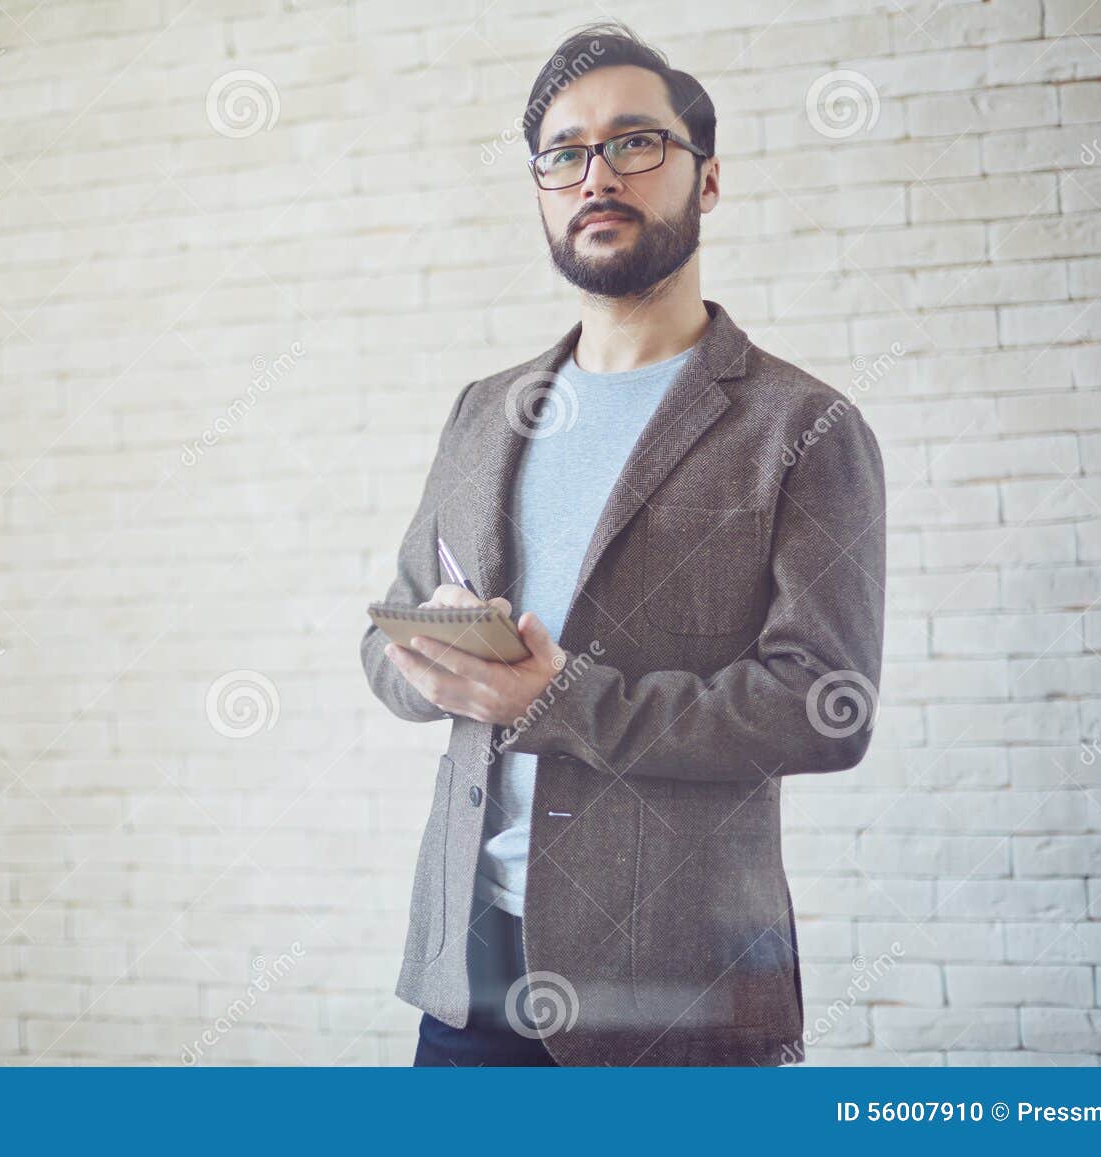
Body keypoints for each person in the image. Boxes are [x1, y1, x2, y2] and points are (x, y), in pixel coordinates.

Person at [359, 21, 887, 1067]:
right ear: (543, 191)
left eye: (635, 143)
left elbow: (826, 706)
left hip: (676, 996)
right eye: (564, 154)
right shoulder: (483, 410)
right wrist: (433, 665)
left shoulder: (802, 425)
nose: (596, 173)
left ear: (709, 178)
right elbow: (386, 643)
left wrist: (556, 701)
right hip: (465, 979)